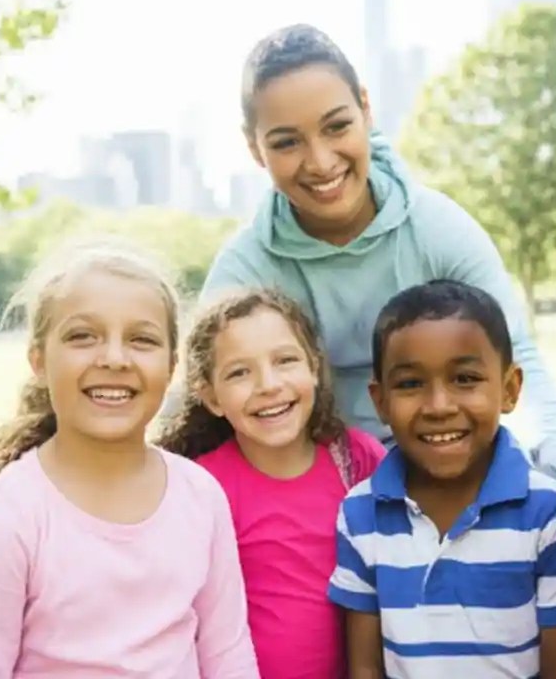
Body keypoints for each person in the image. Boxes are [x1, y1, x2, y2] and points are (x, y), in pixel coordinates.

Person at [197, 23, 556, 477]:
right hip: (321, 484)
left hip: (448, 465)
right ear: (255, 149)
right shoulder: (246, 267)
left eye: (337, 126)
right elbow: (198, 400)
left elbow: (516, 358)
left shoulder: (438, 229)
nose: (320, 162)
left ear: (365, 108)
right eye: (287, 142)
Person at [0, 239, 259, 678]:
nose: (114, 358)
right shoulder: (3, 519)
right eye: (82, 336)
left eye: (141, 339)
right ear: (38, 361)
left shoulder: (200, 495)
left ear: (171, 367)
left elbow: (228, 654)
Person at [328, 279, 556, 679]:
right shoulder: (361, 515)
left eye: (464, 379)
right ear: (380, 401)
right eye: (411, 384)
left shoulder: (548, 512)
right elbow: (364, 666)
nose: (439, 406)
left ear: (509, 389)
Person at [159, 287, 387, 679]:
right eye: (239, 372)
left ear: (314, 368)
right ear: (211, 398)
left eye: (285, 361)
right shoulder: (199, 485)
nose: (268, 384)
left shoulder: (357, 460)